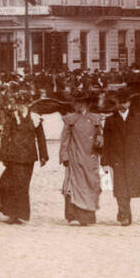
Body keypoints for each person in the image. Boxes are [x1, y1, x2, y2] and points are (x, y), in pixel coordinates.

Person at [102, 93, 140, 225]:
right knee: (120, 186)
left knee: (130, 186)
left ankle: (123, 212)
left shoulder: (137, 118)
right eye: (119, 102)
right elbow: (106, 141)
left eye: (124, 102)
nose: (122, 105)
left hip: (133, 157)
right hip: (117, 157)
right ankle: (125, 214)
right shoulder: (110, 120)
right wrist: (104, 161)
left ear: (129, 103)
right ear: (116, 103)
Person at [0, 92, 48, 223]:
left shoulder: (35, 118)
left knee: (23, 186)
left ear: (28, 104)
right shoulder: (11, 117)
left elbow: (41, 137)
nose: (21, 106)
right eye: (18, 103)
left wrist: (44, 156)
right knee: (10, 184)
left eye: (23, 103)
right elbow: (5, 137)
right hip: (13, 156)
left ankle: (19, 214)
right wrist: (3, 156)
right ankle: (12, 214)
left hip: (28, 157)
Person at [59, 93, 104, 225]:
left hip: (90, 157)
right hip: (75, 156)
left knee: (91, 184)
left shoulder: (95, 119)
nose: (78, 105)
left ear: (87, 104)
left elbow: (99, 135)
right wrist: (65, 156)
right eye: (76, 103)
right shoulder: (70, 120)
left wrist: (100, 141)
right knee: (74, 185)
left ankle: (88, 216)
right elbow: (64, 140)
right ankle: (74, 216)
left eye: (81, 102)